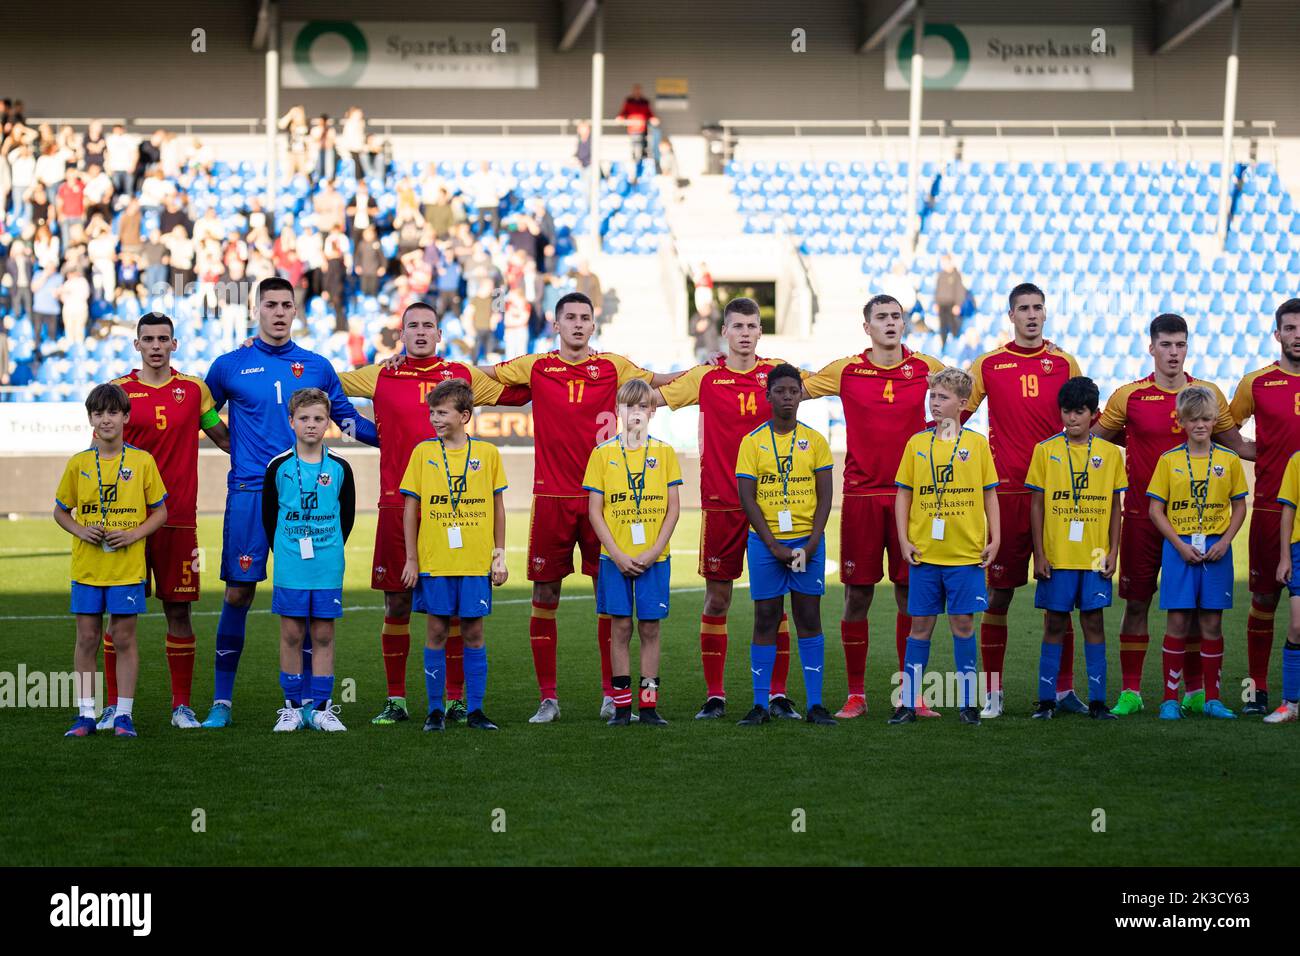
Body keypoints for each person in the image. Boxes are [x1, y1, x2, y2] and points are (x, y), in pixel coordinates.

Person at [486, 292, 675, 723]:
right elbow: (483, 375)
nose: (576, 323)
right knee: (544, 594)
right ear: (556, 324)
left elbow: (659, 381)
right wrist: (435, 367)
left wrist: (704, 372)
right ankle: (548, 699)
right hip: (551, 496)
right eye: (568, 317)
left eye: (584, 318)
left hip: (603, 498)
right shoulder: (536, 365)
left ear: (593, 325)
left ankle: (614, 695)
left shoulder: (612, 366)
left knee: (608, 600)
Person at [199, 277, 378, 729]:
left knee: (306, 601)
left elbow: (346, 419)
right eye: (271, 305)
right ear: (257, 309)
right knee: (239, 591)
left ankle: (306, 707)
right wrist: (230, 443)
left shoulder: (316, 366)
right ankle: (222, 701)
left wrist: (392, 439)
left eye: (287, 305)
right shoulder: (229, 365)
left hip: (308, 501)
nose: (279, 312)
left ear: (296, 312)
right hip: (250, 493)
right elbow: (201, 409)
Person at [339, 302, 527, 726]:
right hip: (398, 502)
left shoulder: (460, 375)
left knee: (457, 609)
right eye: (412, 326)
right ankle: (397, 700)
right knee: (397, 602)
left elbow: (517, 392)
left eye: (428, 326)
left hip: (456, 513)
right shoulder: (381, 373)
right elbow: (328, 388)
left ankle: (458, 700)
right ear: (400, 334)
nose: (420, 332)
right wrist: (375, 435)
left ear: (439, 334)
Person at [1092, 313, 1251, 716]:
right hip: (1145, 518)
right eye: (1166, 344)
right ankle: (1131, 692)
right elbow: (1091, 443)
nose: (1173, 353)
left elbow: (1241, 447)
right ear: (1152, 348)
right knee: (1137, 602)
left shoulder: (1206, 395)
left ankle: (1196, 692)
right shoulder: (1128, 396)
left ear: (1187, 347)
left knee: (1197, 609)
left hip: (1200, 525)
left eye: (1180, 344)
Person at [657, 298, 799, 719]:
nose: (744, 333)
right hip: (721, 504)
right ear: (724, 332)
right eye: (737, 325)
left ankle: (777, 694)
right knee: (717, 599)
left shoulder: (777, 375)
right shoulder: (705, 377)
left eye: (751, 326)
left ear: (759, 331)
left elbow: (827, 383)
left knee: (776, 604)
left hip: (773, 506)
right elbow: (655, 396)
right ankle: (715, 696)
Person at [804, 294, 944, 719]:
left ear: (905, 324)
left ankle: (911, 693)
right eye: (880, 317)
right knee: (857, 596)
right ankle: (856, 695)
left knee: (910, 596)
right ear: (866, 327)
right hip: (862, 498)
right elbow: (796, 384)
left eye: (896, 317)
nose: (889, 323)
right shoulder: (846, 370)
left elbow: (965, 392)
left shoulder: (926, 369)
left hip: (910, 497)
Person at [99, 312, 231, 731]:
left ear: (175, 344)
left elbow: (223, 438)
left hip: (178, 519)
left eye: (163, 339)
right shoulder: (119, 392)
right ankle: (114, 707)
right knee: (120, 616)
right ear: (136, 345)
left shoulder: (193, 391)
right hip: (126, 522)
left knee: (179, 611)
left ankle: (182, 707)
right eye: (148, 339)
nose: (156, 345)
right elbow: (97, 449)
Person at [964, 283, 1082, 718]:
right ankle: (993, 693)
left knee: (1062, 597)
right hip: (1008, 495)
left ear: (1045, 314)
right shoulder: (989, 364)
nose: (1032, 315)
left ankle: (1063, 691)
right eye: (1023, 309)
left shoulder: (1065, 363)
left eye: (1038, 308)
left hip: (1060, 499)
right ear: (1010, 315)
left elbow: (1085, 420)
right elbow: (957, 417)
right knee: (999, 597)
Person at [56, 383, 168, 738]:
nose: (106, 419)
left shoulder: (142, 461)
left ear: (126, 417)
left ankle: (123, 715)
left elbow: (160, 512)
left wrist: (134, 535)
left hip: (126, 568)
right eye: (99, 413)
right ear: (90, 418)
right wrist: (79, 530)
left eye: (112, 413)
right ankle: (86, 715)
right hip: (88, 568)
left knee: (123, 637)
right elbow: (60, 512)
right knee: (87, 637)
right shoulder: (79, 463)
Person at [891, 367, 999, 725]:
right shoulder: (916, 443)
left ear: (963, 403)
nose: (934, 403)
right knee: (919, 627)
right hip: (924, 554)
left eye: (943, 397)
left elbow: (989, 494)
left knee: (963, 626)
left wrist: (994, 537)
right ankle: (906, 703)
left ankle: (968, 703)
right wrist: (904, 539)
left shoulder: (977, 444)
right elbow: (903, 495)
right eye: (932, 396)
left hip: (965, 555)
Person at [399, 379, 509, 732]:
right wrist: (412, 559)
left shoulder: (488, 454)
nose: (434, 418)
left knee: (474, 633)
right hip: (435, 560)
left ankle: (474, 709)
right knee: (435, 631)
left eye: (442, 412)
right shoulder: (423, 453)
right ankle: (435, 710)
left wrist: (499, 555)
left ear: (465, 416)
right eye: (431, 412)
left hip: (475, 561)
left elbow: (498, 508)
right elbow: (409, 509)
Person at [734, 363, 836, 727]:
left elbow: (825, 497)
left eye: (794, 391)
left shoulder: (816, 441)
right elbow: (748, 498)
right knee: (765, 617)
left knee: (809, 618)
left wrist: (811, 543)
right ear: (768, 396)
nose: (788, 397)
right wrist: (773, 544)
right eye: (781, 391)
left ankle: (816, 705)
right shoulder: (753, 442)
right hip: (766, 545)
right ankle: (761, 704)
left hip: (807, 542)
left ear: (800, 395)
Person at [1025, 376, 1125, 720]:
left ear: (1093, 414)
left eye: (1080, 412)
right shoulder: (1045, 450)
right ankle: (1046, 701)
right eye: (1067, 411)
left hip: (1096, 555)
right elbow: (1036, 505)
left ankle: (1098, 702)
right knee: (1054, 623)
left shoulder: (1110, 454)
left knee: (1093, 622)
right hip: (1057, 555)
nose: (1072, 418)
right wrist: (1039, 553)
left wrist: (1113, 552)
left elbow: (1115, 506)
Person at [1146, 386, 1248, 720]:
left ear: (1215, 419)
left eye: (1206, 418)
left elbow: (1239, 507)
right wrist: (1178, 544)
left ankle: (1213, 699)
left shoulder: (1229, 460)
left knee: (1211, 624)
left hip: (1216, 550)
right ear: (1182, 421)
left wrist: (1224, 542)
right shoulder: (1169, 460)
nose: (1201, 425)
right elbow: (1155, 510)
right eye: (1194, 419)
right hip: (1180, 549)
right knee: (1177, 622)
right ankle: (1169, 700)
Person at [585, 379, 682, 726]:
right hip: (615, 559)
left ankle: (650, 706)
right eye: (628, 407)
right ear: (617, 412)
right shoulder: (603, 454)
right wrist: (617, 553)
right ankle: (623, 708)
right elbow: (595, 511)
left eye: (642, 406)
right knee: (621, 628)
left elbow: (673, 509)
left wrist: (656, 549)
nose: (635, 413)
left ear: (653, 411)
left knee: (651, 629)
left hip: (655, 559)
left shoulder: (665, 453)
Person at [261, 388, 357, 732]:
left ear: (328, 423)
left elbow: (346, 519)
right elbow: (269, 517)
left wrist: (326, 547)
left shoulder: (341, 468)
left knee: (323, 635)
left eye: (318, 418)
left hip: (327, 565)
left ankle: (321, 709)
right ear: (291, 422)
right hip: (291, 564)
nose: (311, 425)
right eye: (304, 418)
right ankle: (291, 709)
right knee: (290, 635)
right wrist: (287, 551)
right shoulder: (278, 467)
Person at [1228, 298, 1300, 715]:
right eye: (1289, 328)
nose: (1296, 336)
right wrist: (1256, 451)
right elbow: (1227, 428)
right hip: (1272, 510)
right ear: (1277, 335)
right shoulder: (1256, 383)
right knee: (1263, 601)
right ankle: (1254, 692)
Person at [1266, 449, 1300, 722]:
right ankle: (1290, 704)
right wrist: (1285, 557)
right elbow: (1288, 510)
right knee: (1298, 626)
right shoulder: (1297, 460)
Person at [616, 84, 658, 185]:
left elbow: (649, 113)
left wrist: (653, 118)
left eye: (639, 90)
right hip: (633, 130)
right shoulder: (629, 101)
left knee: (643, 152)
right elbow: (624, 112)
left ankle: (640, 175)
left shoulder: (644, 102)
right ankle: (634, 175)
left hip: (642, 130)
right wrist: (620, 118)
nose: (637, 92)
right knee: (635, 152)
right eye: (635, 90)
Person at [933, 255, 966, 345]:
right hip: (942, 305)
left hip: (952, 305)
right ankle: (943, 346)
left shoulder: (956, 275)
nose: (943, 265)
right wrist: (936, 303)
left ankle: (955, 346)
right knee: (942, 328)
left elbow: (960, 291)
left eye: (945, 262)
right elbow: (937, 289)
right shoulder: (941, 275)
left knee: (953, 327)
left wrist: (958, 305)